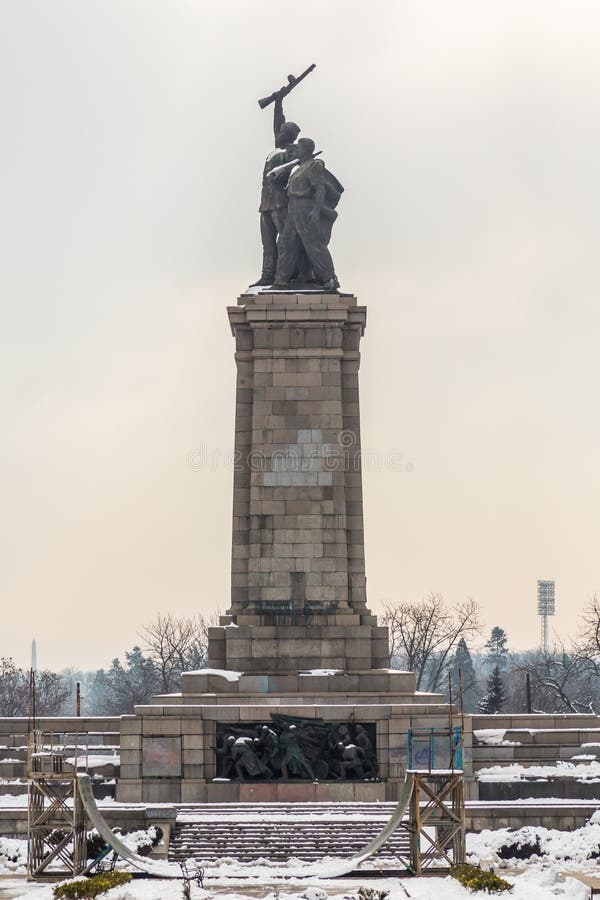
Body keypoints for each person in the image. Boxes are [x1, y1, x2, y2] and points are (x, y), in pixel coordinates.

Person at [272, 138, 342, 292]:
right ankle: (281, 281)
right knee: (286, 243)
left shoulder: (313, 166)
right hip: (293, 208)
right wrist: (276, 184)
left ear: (305, 150)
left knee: (313, 244)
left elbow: (320, 189)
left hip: (305, 207)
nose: (296, 150)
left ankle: (329, 278)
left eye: (298, 147)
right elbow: (289, 192)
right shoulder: (298, 169)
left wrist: (316, 211)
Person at [251, 96, 300, 287]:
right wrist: (278, 102)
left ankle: (287, 274)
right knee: (268, 243)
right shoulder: (277, 150)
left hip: (281, 202)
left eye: (282, 132)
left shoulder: (293, 151)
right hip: (266, 204)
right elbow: (278, 120)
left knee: (286, 241)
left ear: (288, 136)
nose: (278, 133)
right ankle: (268, 275)